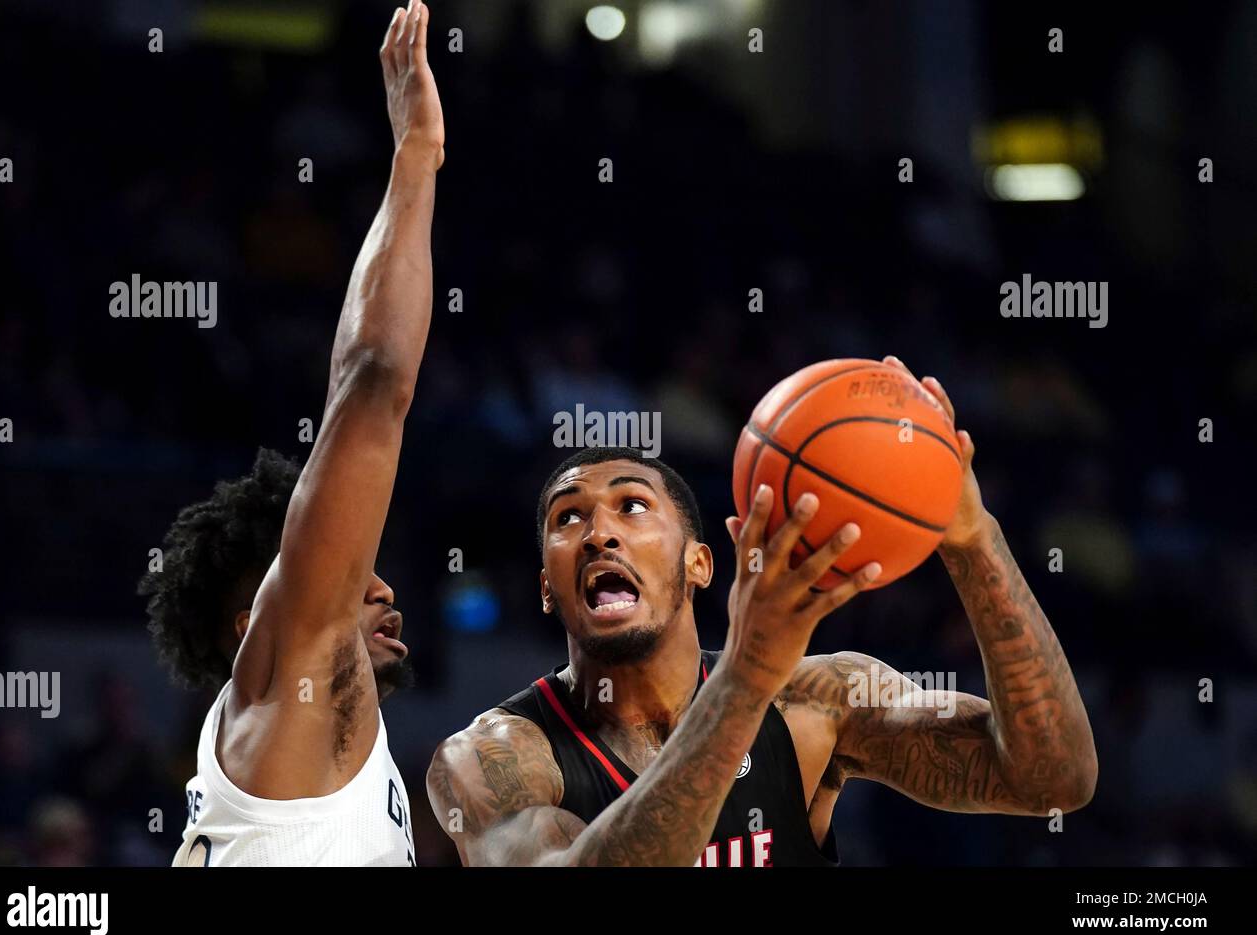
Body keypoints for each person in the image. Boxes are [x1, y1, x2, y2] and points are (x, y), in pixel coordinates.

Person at [427, 359, 1097, 865]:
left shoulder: (817, 702)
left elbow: (1054, 781)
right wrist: (744, 682)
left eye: (632, 506)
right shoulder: (491, 758)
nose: (601, 532)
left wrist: (974, 541)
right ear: (548, 588)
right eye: (569, 518)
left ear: (699, 563)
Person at [139, 0, 444, 865]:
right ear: (254, 624)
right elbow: (374, 384)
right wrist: (417, 159)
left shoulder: (310, 749)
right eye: (349, 570)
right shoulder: (289, 681)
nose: (381, 589)